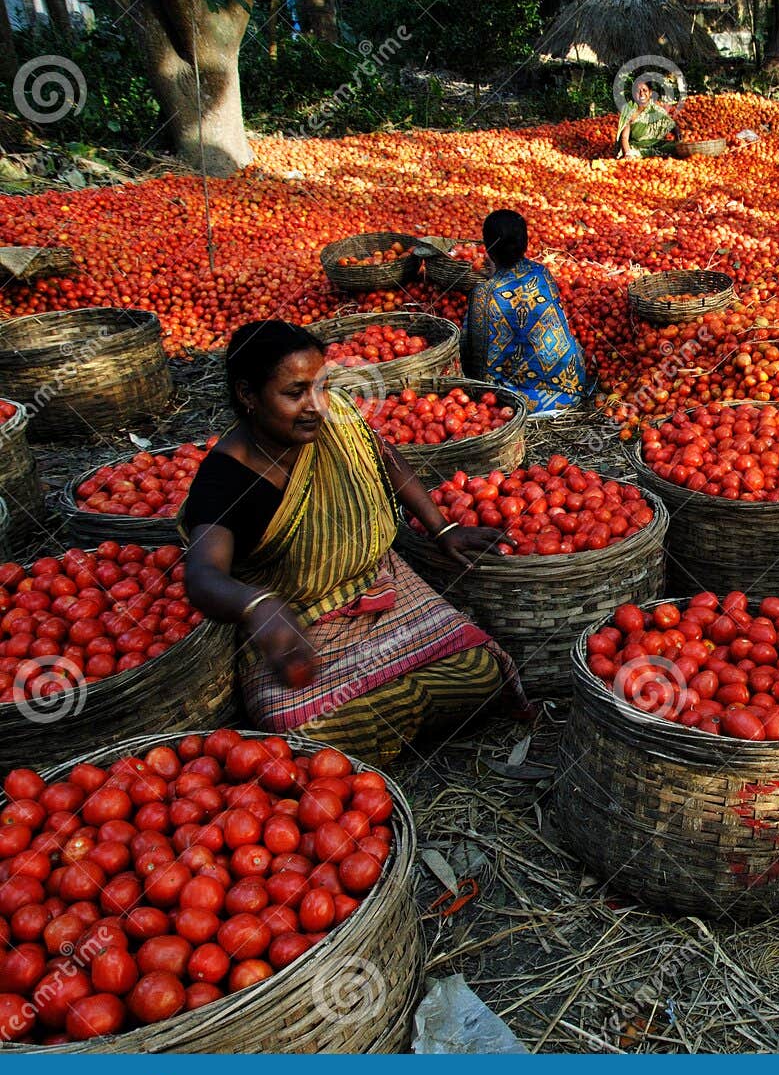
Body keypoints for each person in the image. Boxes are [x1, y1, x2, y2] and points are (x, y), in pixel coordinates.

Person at [180, 320, 525, 766]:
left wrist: (441, 528)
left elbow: (385, 456)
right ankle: (391, 713)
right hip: (300, 625)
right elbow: (202, 573)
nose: (316, 406)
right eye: (295, 393)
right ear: (248, 395)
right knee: (302, 734)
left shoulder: (336, 421)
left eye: (322, 387)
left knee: (482, 671)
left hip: (379, 588)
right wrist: (259, 608)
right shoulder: (226, 476)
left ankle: (386, 712)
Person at [466, 209, 592, 413]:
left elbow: (477, 365)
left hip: (533, 399)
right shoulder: (541, 272)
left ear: (488, 248)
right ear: (525, 243)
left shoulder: (484, 294)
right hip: (572, 387)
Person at [616, 78, 680, 159]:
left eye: (644, 90)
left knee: (675, 147)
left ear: (650, 93)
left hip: (656, 146)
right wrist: (628, 153)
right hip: (638, 148)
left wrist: (679, 138)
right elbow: (624, 137)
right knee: (632, 153)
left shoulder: (657, 110)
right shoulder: (629, 111)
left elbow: (672, 126)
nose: (641, 93)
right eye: (638, 91)